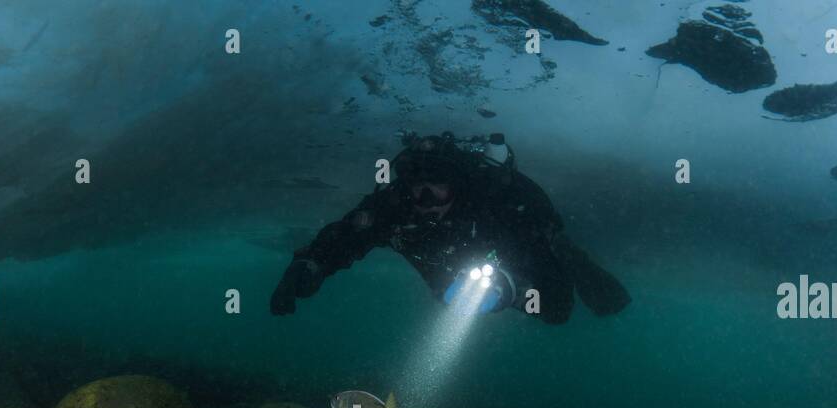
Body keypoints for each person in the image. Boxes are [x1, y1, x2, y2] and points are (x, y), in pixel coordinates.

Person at [269, 132, 631, 324]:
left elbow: (555, 305)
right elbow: (348, 235)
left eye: (436, 184)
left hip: (518, 252)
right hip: (451, 280)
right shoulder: (396, 206)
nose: (423, 197)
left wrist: (513, 290)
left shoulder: (492, 205)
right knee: (450, 296)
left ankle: (569, 256)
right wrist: (310, 264)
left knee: (554, 311)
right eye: (415, 184)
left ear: (456, 183)